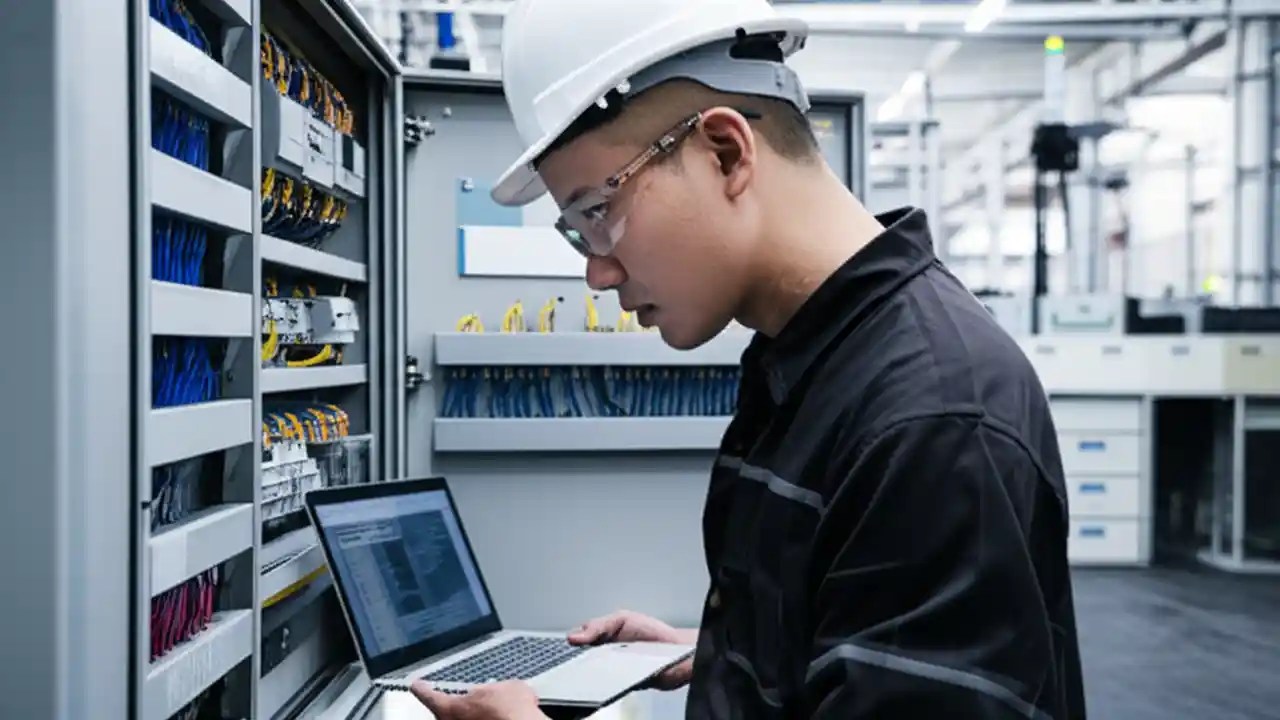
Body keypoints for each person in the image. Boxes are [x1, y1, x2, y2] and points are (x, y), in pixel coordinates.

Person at [413, 0, 1086, 718]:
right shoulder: (814, 363)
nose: (598, 273)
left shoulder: (934, 419)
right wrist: (725, 650)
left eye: (597, 213)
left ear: (726, 153)